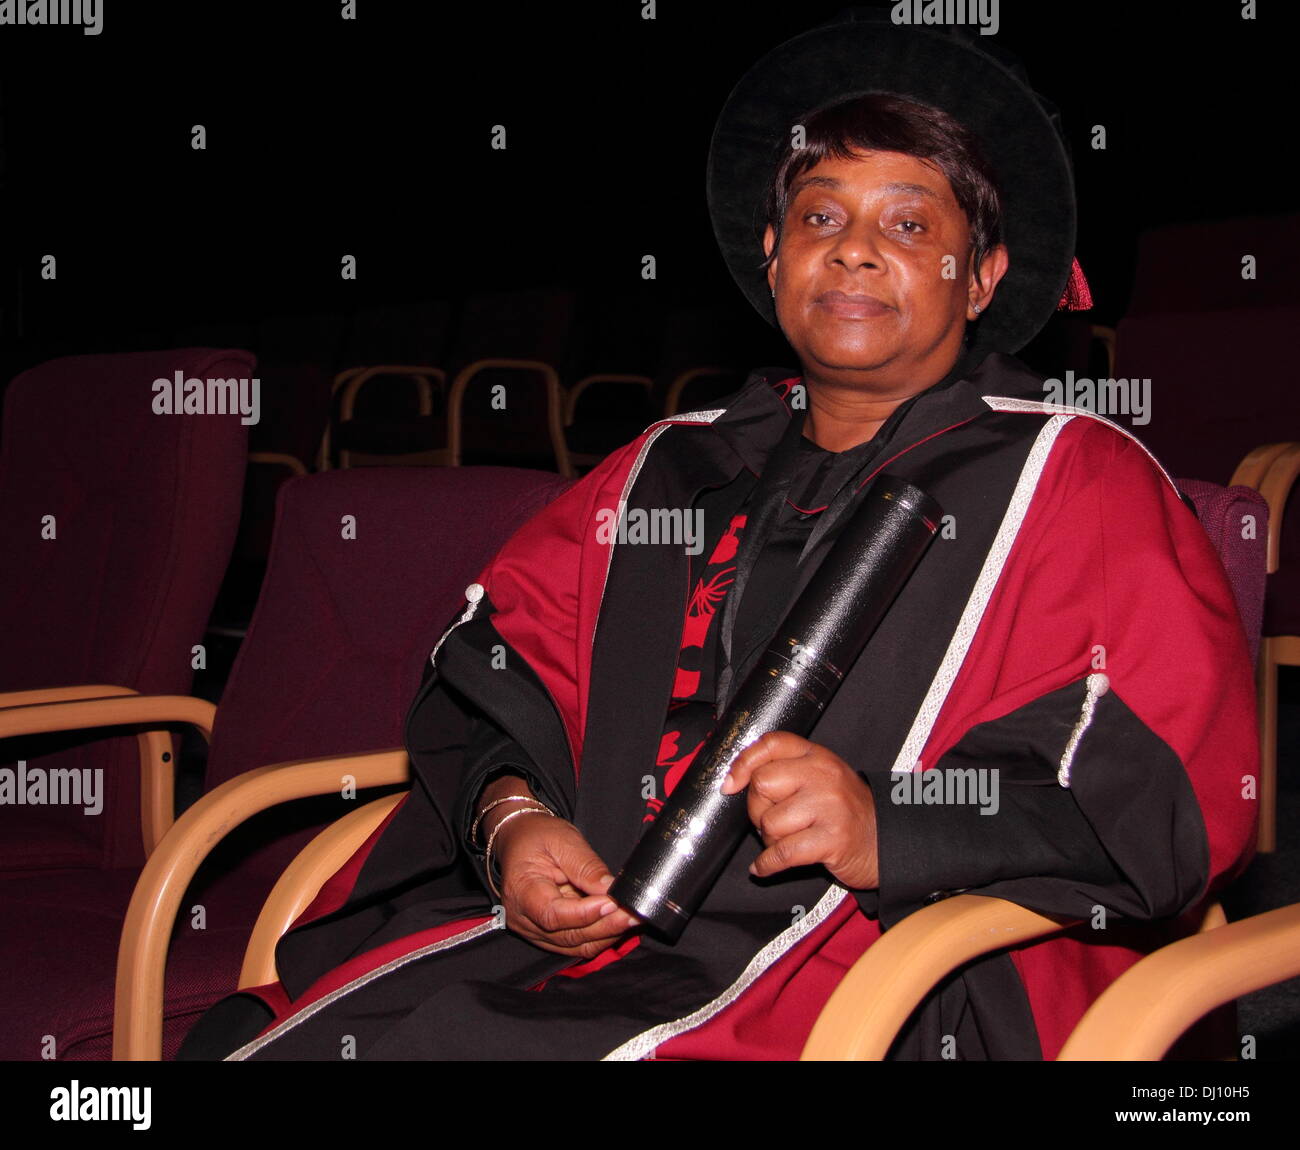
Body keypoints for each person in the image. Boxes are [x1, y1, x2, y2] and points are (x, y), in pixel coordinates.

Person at [177, 13, 1257, 1061]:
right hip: (582, 946)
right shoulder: (666, 465)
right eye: (821, 219)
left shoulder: (1072, 478)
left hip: (877, 971)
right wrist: (509, 823)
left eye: (911, 224)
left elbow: (1168, 790)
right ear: (773, 256)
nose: (857, 252)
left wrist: (895, 824)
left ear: (979, 278)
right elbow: (500, 676)